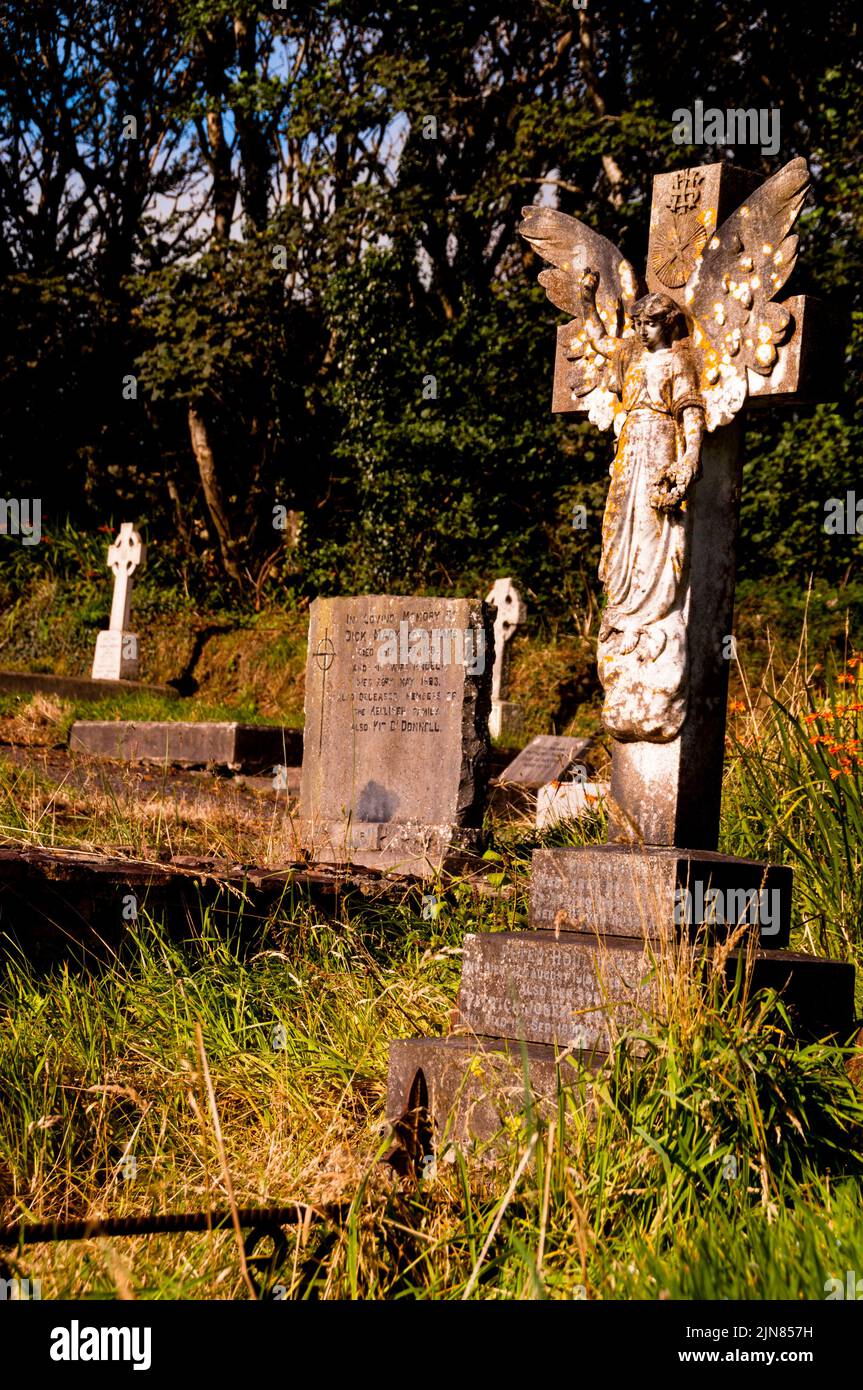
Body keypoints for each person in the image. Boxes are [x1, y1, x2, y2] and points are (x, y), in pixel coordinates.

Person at [574, 271, 706, 741]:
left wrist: (689, 456)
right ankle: (626, 616)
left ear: (666, 324)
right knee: (618, 535)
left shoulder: (678, 363)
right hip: (628, 450)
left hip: (659, 447)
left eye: (649, 324)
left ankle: (651, 617)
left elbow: (690, 411)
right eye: (637, 324)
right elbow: (597, 343)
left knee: (653, 532)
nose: (641, 331)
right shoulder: (629, 356)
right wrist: (587, 300)